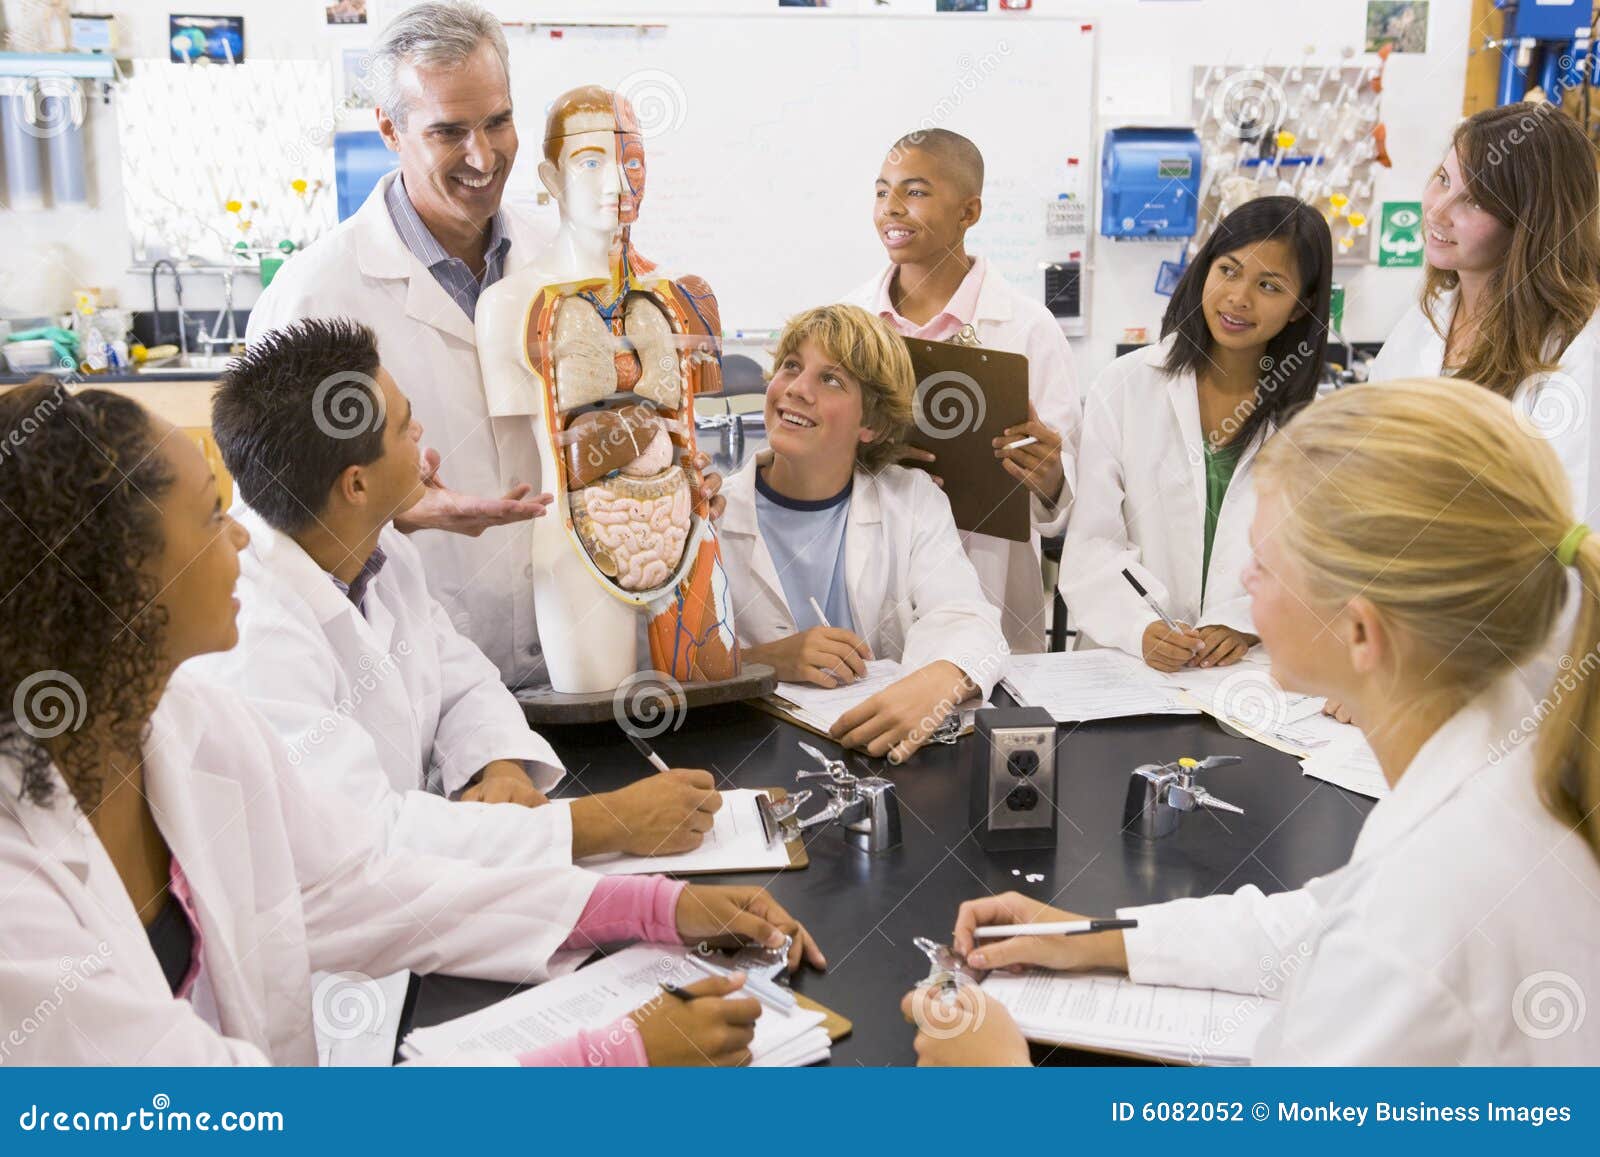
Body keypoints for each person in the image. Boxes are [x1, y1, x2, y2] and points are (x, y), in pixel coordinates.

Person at [0, 381, 823, 1066]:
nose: (241, 537)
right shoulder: (17, 896)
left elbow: (354, 886)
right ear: (120, 580)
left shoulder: (186, 722)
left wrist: (647, 908)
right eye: (214, 515)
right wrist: (605, 1059)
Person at [904, 379, 1600, 1065]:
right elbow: (1319, 921)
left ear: (1362, 632)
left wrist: (998, 1083)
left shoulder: (1427, 912)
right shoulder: (1495, 772)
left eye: (1264, 562)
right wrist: (1094, 936)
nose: (1242, 579)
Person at [245, 2, 721, 688]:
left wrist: (673, 472)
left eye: (498, 122)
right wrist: (393, 510)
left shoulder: (565, 264)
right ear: (390, 129)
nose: (483, 156)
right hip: (421, 681)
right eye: (449, 132)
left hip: (585, 650)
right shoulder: (313, 296)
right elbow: (263, 524)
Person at [191, 318, 723, 865]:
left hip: (438, 883)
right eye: (403, 428)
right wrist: (606, 823)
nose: (419, 432)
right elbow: (360, 843)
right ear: (356, 485)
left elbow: (460, 682)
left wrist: (499, 768)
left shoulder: (375, 549)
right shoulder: (251, 635)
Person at [720, 304, 1007, 764]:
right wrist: (767, 659)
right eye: (791, 366)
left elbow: (966, 617)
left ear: (870, 424)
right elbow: (659, 669)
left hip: (877, 758)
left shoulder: (911, 500)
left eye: (830, 379)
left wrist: (940, 677)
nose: (796, 389)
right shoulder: (712, 512)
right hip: (750, 758)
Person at [1060, 196, 1331, 672]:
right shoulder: (1125, 385)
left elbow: (1318, 563)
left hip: (1247, 674)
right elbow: (1093, 544)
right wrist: (1140, 627)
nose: (1238, 298)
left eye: (1269, 285)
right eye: (1228, 270)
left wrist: (1246, 621)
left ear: (1299, 308)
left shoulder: (1315, 424)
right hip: (1127, 665)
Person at [843, 128, 1081, 654]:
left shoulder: (1028, 329)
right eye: (882, 191)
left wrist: (1050, 476)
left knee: (983, 710)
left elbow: (1066, 505)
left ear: (968, 212)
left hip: (989, 580)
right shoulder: (850, 322)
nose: (892, 208)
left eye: (916, 192)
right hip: (872, 578)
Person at [1369, 101, 1600, 515]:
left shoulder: (1578, 351)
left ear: (1532, 223)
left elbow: (1570, 530)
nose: (1437, 210)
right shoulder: (1429, 316)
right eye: (1442, 179)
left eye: (1474, 200)